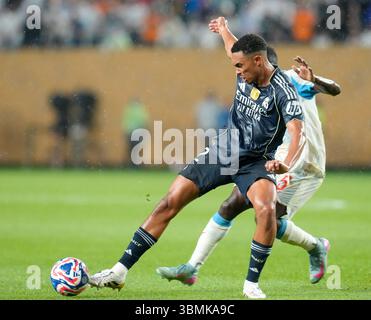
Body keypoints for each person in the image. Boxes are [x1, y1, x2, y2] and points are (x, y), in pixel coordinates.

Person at [89, 20, 306, 299]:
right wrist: (224, 29)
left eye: (240, 67)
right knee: (169, 202)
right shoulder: (243, 63)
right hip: (224, 150)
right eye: (235, 66)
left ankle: (251, 284)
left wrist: (286, 161)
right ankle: (119, 271)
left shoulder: (283, 91)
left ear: (258, 60)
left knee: (265, 209)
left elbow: (297, 132)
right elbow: (231, 49)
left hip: (256, 161)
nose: (237, 72)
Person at [156, 18, 341, 295]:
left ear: (263, 64)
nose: (242, 74)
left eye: (246, 67)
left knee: (269, 221)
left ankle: (316, 246)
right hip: (271, 160)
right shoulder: (254, 83)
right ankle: (192, 267)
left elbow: (335, 89)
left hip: (303, 166)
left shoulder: (291, 81)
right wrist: (223, 30)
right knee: (230, 204)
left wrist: (314, 79)